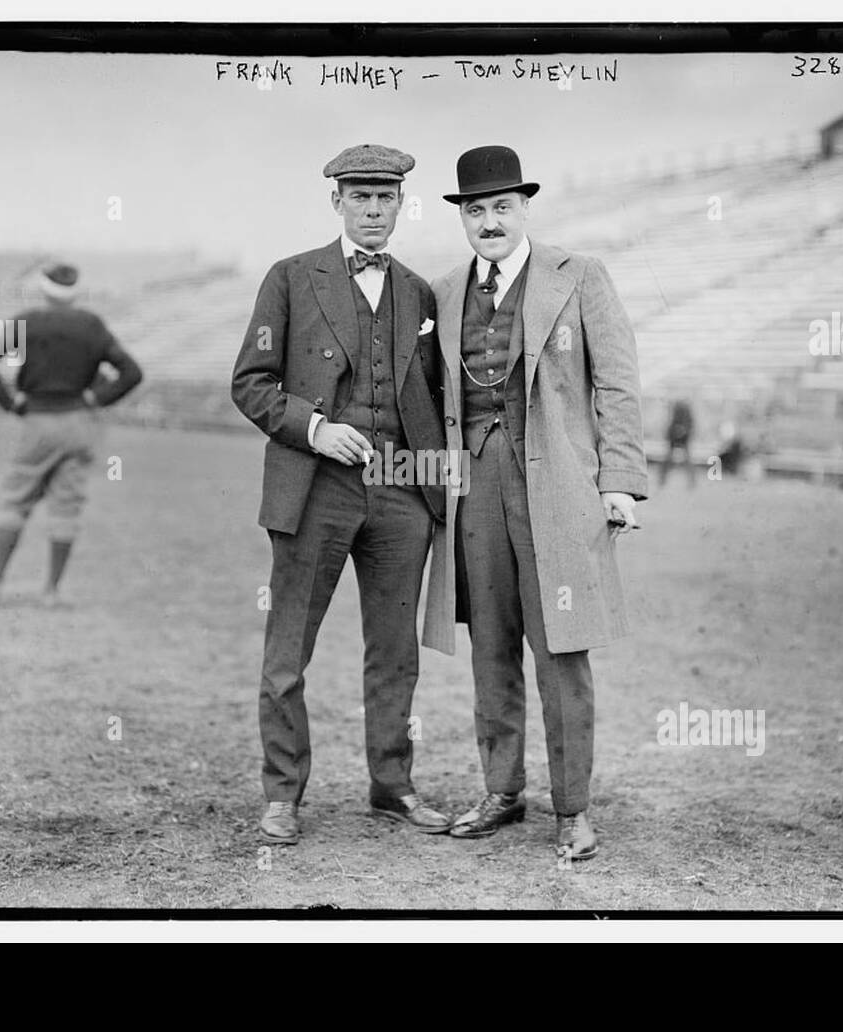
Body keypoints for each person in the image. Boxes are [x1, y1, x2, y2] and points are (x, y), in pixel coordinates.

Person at [421, 146, 648, 861]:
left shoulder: (579, 277)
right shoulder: (445, 290)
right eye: (476, 210)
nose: (490, 221)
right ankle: (502, 789)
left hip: (556, 486)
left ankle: (573, 808)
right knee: (490, 643)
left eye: (502, 207)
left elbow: (616, 383)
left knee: (561, 649)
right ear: (463, 218)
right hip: (474, 487)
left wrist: (619, 480)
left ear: (525, 209)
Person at [230, 144, 451, 846]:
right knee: (289, 647)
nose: (375, 209)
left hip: (401, 494)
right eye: (361, 197)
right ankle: (283, 794)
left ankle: (392, 784)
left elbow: (438, 398)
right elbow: (251, 384)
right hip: (315, 485)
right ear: (337, 202)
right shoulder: (291, 278)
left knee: (396, 651)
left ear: (402, 204)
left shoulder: (420, 292)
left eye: (386, 198)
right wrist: (317, 429)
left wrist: (434, 487)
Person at [0, 262, 142, 608]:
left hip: (38, 420)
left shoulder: (27, 322)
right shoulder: (91, 325)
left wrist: (10, 402)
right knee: (67, 507)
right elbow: (131, 372)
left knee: (15, 499)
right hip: (80, 423)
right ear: (76, 291)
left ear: (43, 289)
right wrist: (95, 398)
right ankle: (51, 590)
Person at [659, 398, 696, 487]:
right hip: (679, 435)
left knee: (670, 458)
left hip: (679, 435)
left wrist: (678, 432)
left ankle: (662, 479)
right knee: (683, 458)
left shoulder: (678, 410)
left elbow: (673, 424)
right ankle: (692, 481)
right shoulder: (684, 412)